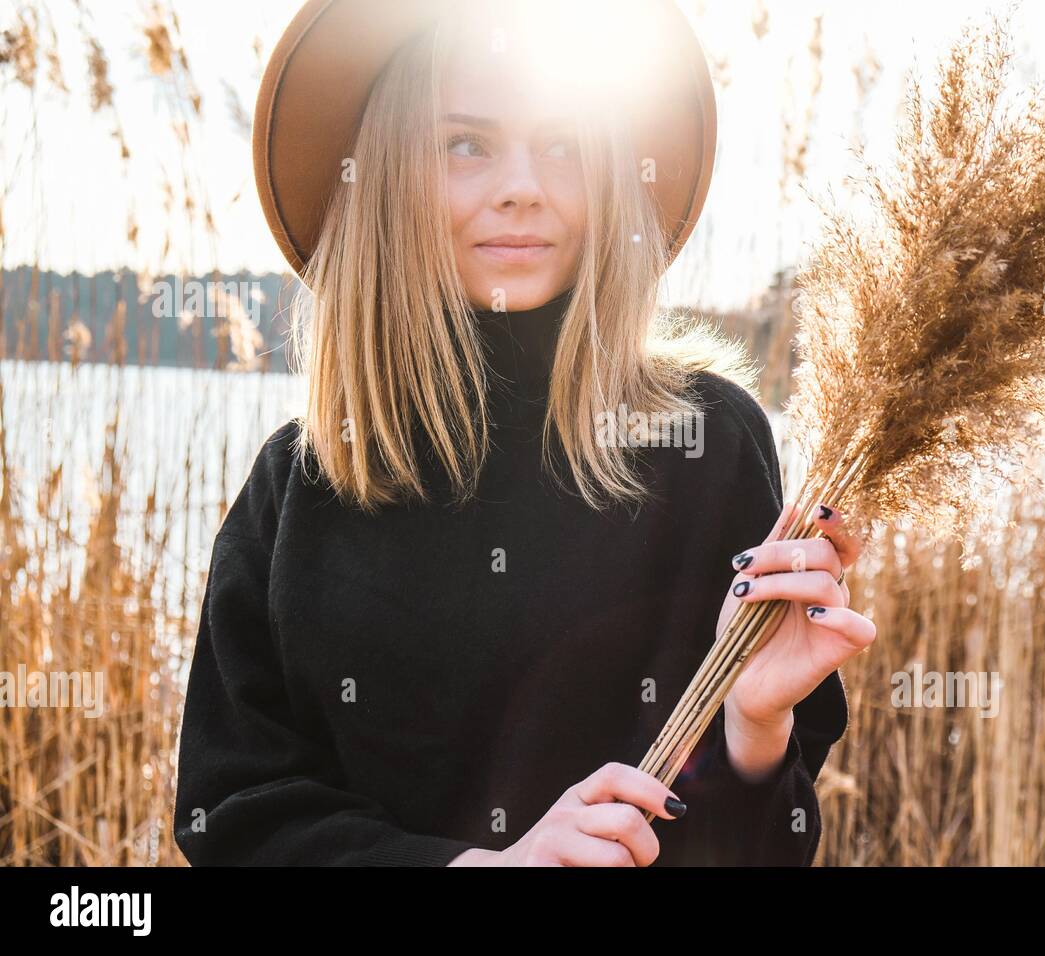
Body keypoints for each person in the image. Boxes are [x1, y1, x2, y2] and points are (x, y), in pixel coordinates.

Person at [172, 0, 876, 867]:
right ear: (386, 175)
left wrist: (752, 729)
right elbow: (235, 815)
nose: (523, 186)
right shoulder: (306, 475)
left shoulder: (705, 441)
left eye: (565, 145)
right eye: (465, 144)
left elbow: (766, 850)